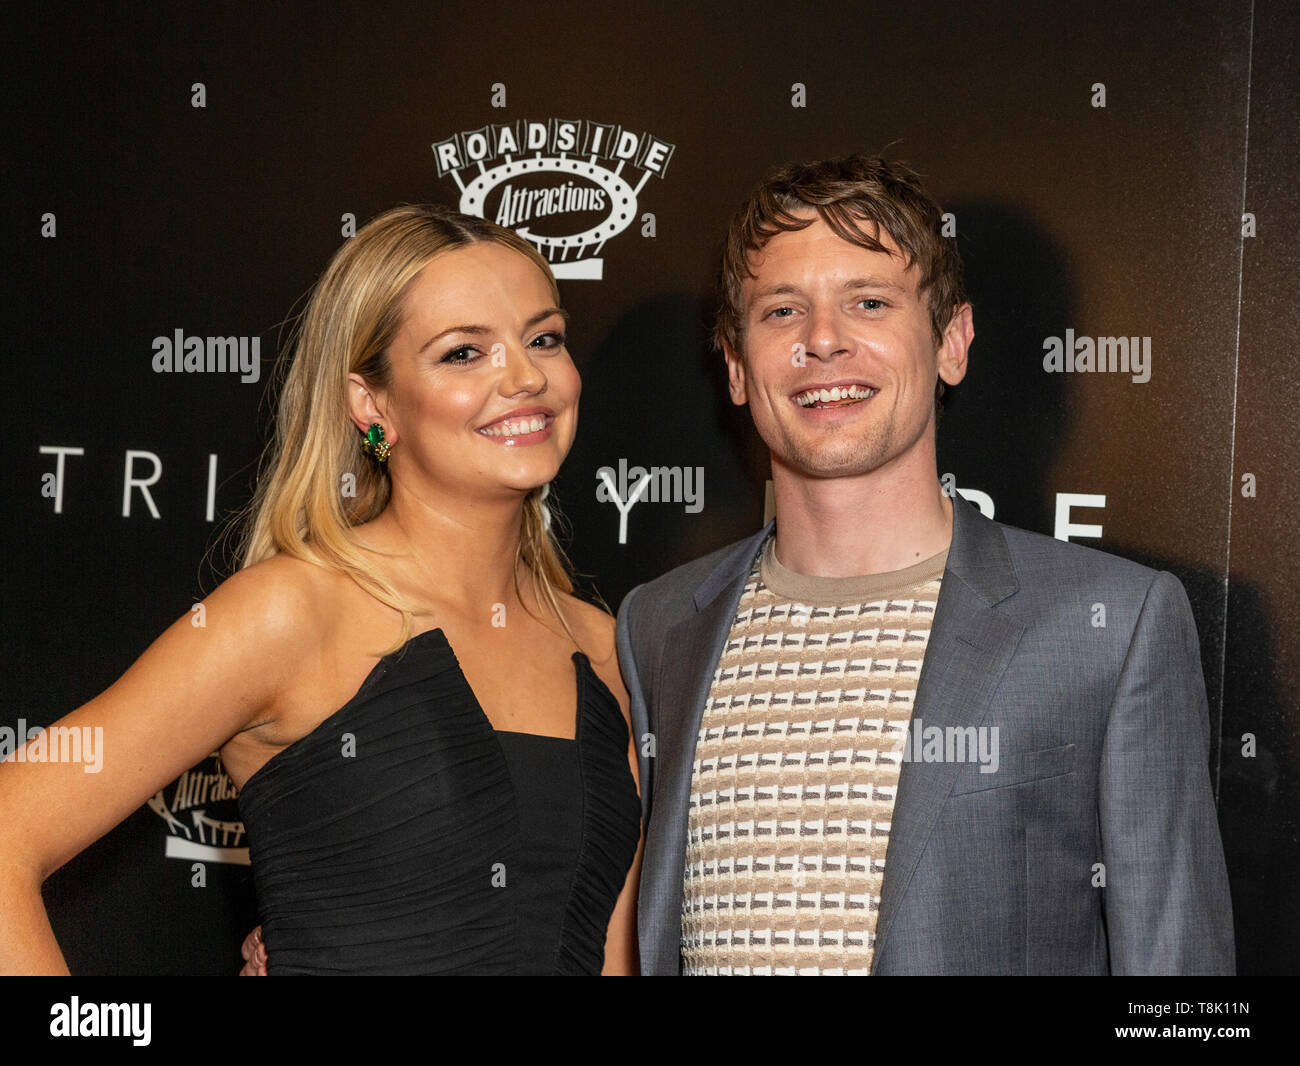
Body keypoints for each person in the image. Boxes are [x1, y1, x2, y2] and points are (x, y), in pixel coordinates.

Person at [618, 155, 1235, 975]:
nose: (823, 340)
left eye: (869, 302)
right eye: (781, 311)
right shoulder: (659, 626)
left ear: (951, 344)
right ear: (736, 366)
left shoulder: (1111, 628)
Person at [0, 204, 643, 975]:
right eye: (464, 353)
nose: (526, 376)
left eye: (543, 338)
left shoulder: (605, 650)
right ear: (372, 405)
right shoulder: (291, 612)